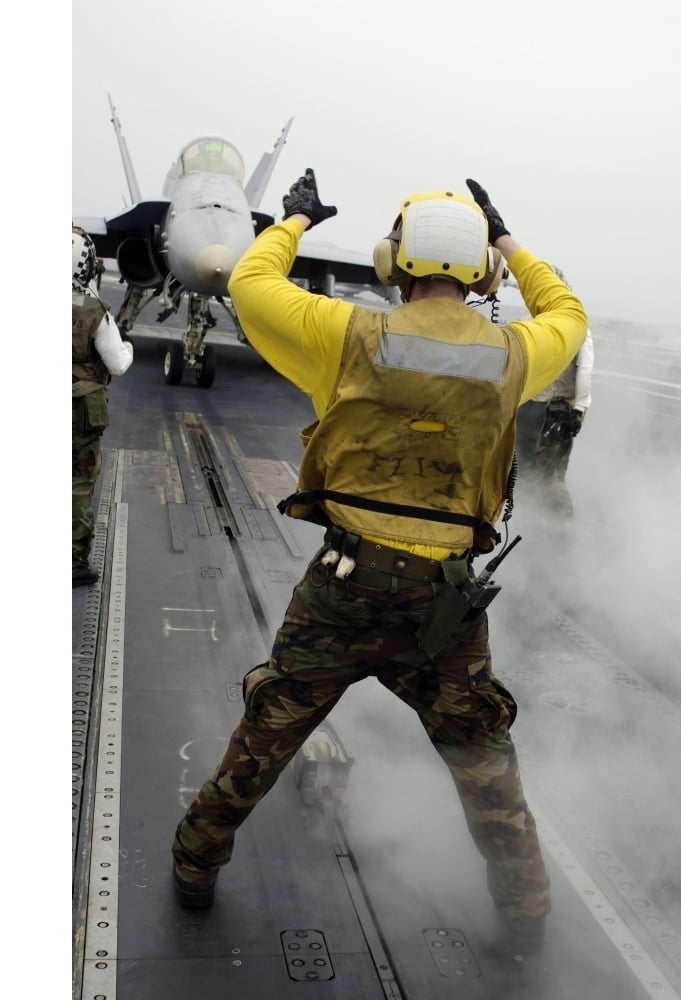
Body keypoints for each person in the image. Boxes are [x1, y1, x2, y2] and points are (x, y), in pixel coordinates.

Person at [170, 172, 588, 951]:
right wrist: (507, 239)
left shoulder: (347, 335)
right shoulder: (515, 353)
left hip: (344, 591)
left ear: (393, 260)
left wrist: (292, 220)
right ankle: (527, 915)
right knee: (485, 763)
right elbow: (568, 310)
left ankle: (196, 865)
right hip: (445, 609)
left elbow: (251, 281)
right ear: (485, 275)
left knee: (269, 732)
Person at [72, 226, 133, 586]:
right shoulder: (94, 310)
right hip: (78, 409)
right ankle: (74, 563)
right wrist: (129, 348)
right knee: (78, 483)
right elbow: (118, 365)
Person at [515, 305, 594, 515]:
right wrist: (579, 410)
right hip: (558, 414)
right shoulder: (577, 327)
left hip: (524, 411)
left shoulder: (524, 323)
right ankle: (560, 530)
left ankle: (523, 525)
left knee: (522, 471)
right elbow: (585, 371)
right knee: (555, 475)